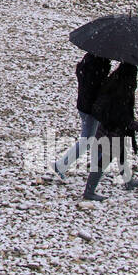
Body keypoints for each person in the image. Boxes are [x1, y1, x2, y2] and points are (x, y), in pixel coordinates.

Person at [82, 62, 138, 201]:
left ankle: (128, 180)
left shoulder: (113, 82)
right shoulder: (122, 92)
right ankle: (89, 191)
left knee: (121, 154)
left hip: (106, 126)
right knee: (104, 160)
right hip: (113, 131)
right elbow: (122, 118)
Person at [51, 52, 112, 181]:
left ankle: (97, 170)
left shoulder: (88, 63)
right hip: (91, 109)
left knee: (94, 138)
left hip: (84, 106)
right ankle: (60, 166)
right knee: (88, 140)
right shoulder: (98, 67)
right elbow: (97, 89)